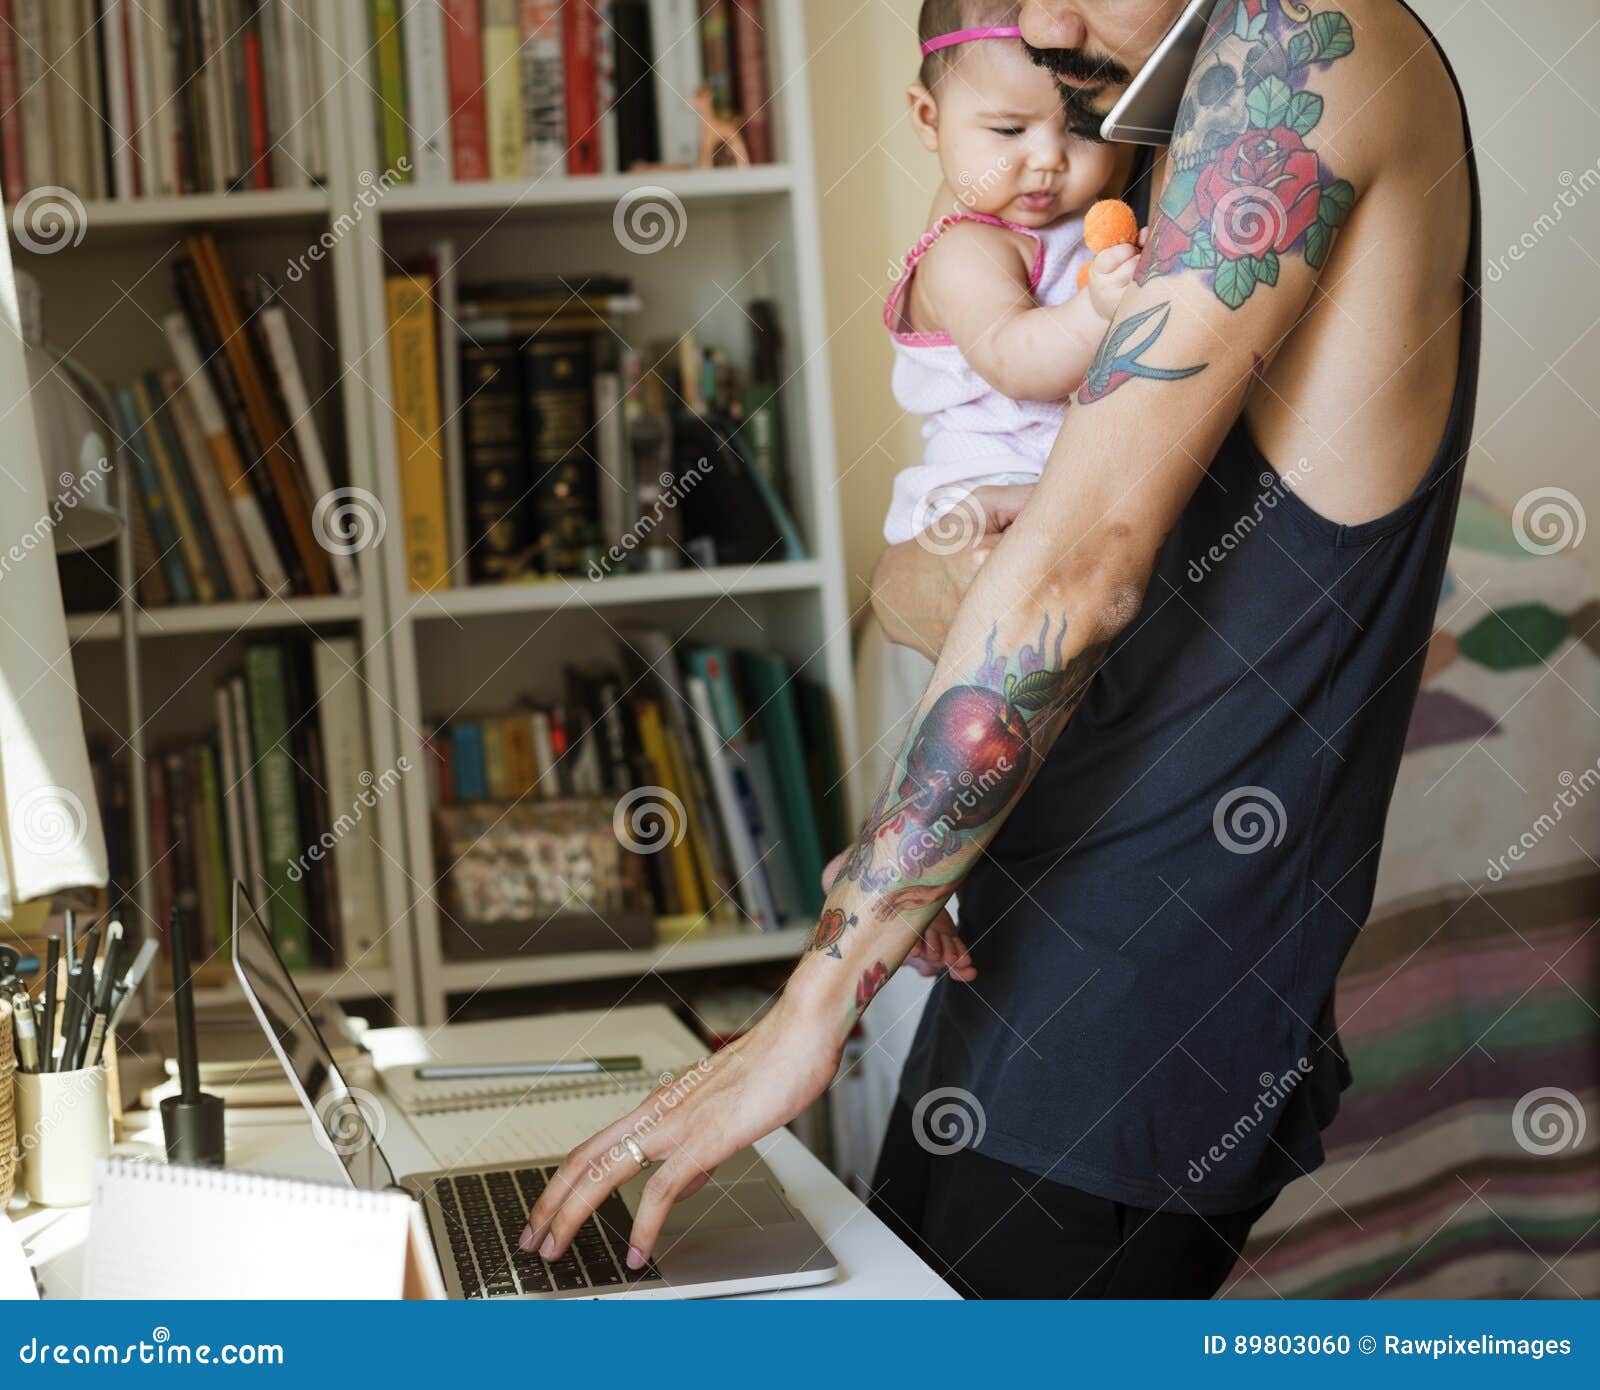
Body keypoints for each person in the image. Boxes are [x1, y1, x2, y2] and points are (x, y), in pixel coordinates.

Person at [524, 0, 1480, 1300]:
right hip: (1026, 950)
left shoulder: (1302, 42)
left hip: (1143, 1011)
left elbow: (1082, 569)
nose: (1036, 18)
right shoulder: (1130, 150)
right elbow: (917, 583)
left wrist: (814, 999)